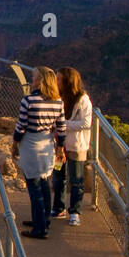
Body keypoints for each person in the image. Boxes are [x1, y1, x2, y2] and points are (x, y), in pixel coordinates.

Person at [11, 66, 66, 239]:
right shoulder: (58, 102)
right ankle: (43, 220)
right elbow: (61, 128)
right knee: (43, 183)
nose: (31, 80)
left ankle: (40, 229)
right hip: (47, 145)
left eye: (34, 77)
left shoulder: (28, 101)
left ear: (40, 81)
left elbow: (21, 126)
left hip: (31, 144)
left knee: (34, 186)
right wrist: (60, 147)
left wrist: (15, 143)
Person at [52, 67, 93, 227]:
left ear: (68, 82)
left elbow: (86, 123)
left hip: (77, 147)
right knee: (57, 177)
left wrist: (63, 125)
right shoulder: (57, 97)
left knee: (76, 180)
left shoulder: (83, 100)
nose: (57, 82)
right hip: (60, 147)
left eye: (59, 79)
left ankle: (74, 212)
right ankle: (58, 208)